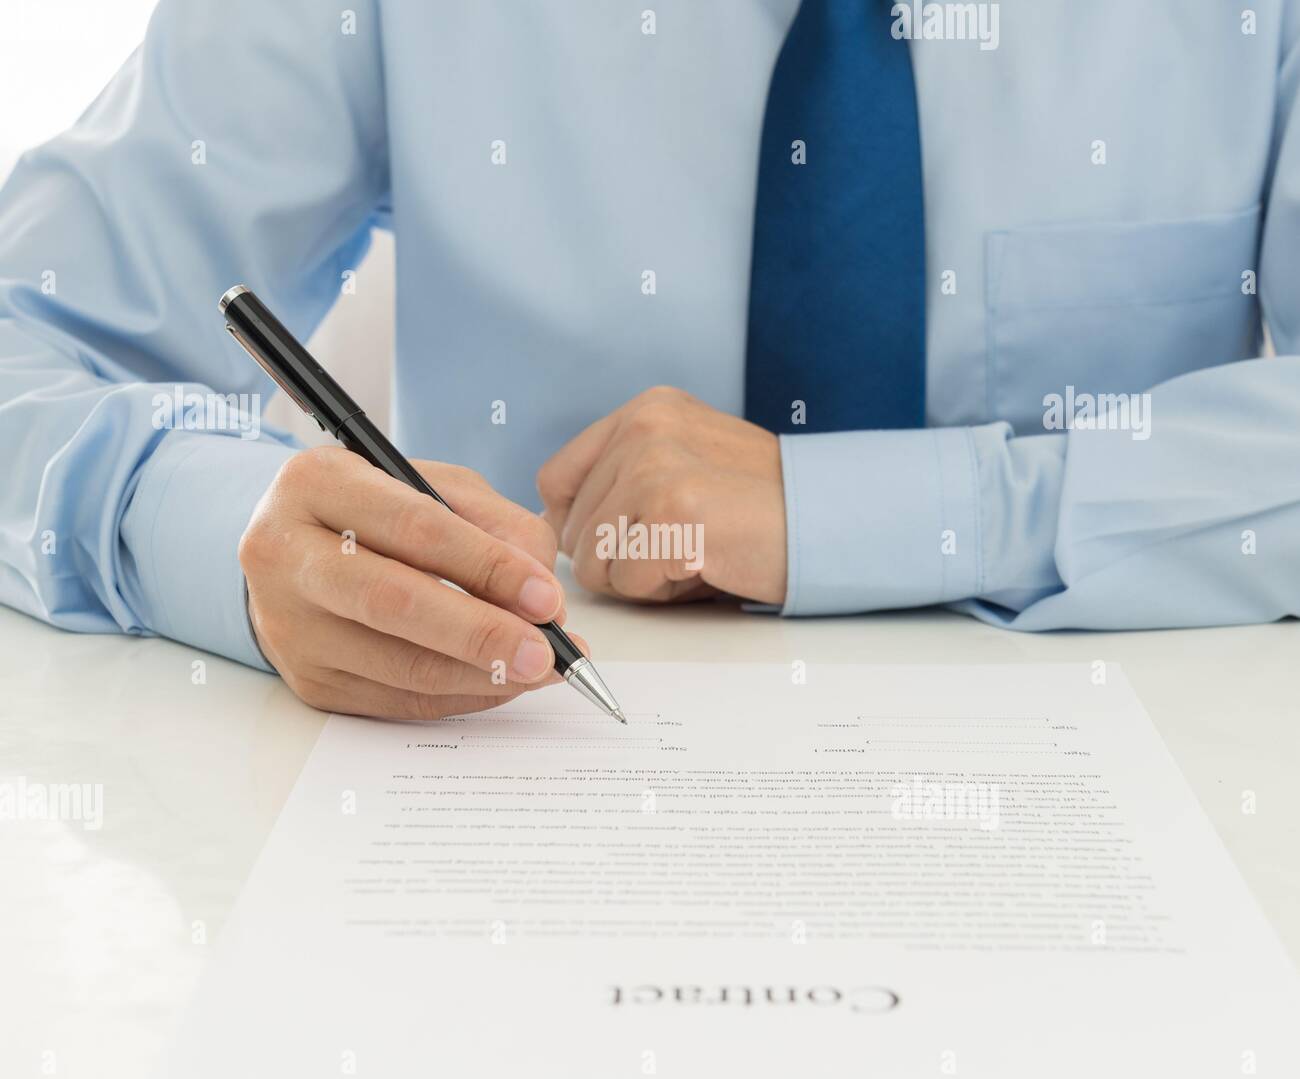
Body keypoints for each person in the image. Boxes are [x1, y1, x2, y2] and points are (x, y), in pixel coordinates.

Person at [1, 0, 1297, 722]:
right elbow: (29, 335)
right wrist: (237, 541)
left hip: (1122, 862)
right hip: (515, 796)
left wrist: (843, 513)